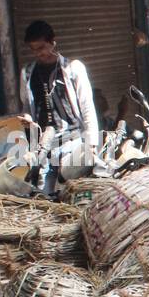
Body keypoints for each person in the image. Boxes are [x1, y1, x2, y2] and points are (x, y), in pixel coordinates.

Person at [20, 20, 99, 186]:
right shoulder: (27, 73)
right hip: (43, 145)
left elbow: (87, 106)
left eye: (41, 48)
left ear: (52, 42)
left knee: (71, 188)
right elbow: (27, 106)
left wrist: (91, 145)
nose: (38, 53)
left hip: (73, 141)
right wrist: (27, 119)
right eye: (33, 49)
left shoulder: (73, 68)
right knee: (44, 195)